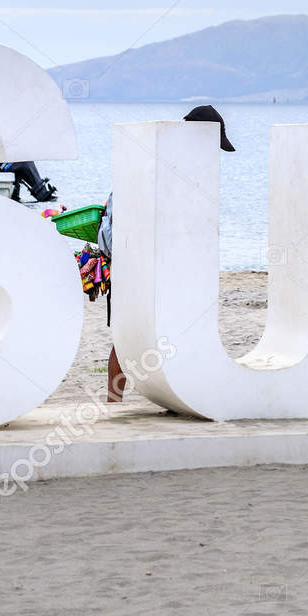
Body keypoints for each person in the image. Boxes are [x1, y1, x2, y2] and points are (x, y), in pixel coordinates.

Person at [100, 105, 236, 401]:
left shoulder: (162, 161)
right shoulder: (158, 163)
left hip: (153, 263)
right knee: (128, 336)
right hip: (139, 264)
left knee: (134, 334)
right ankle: (114, 399)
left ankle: (123, 399)